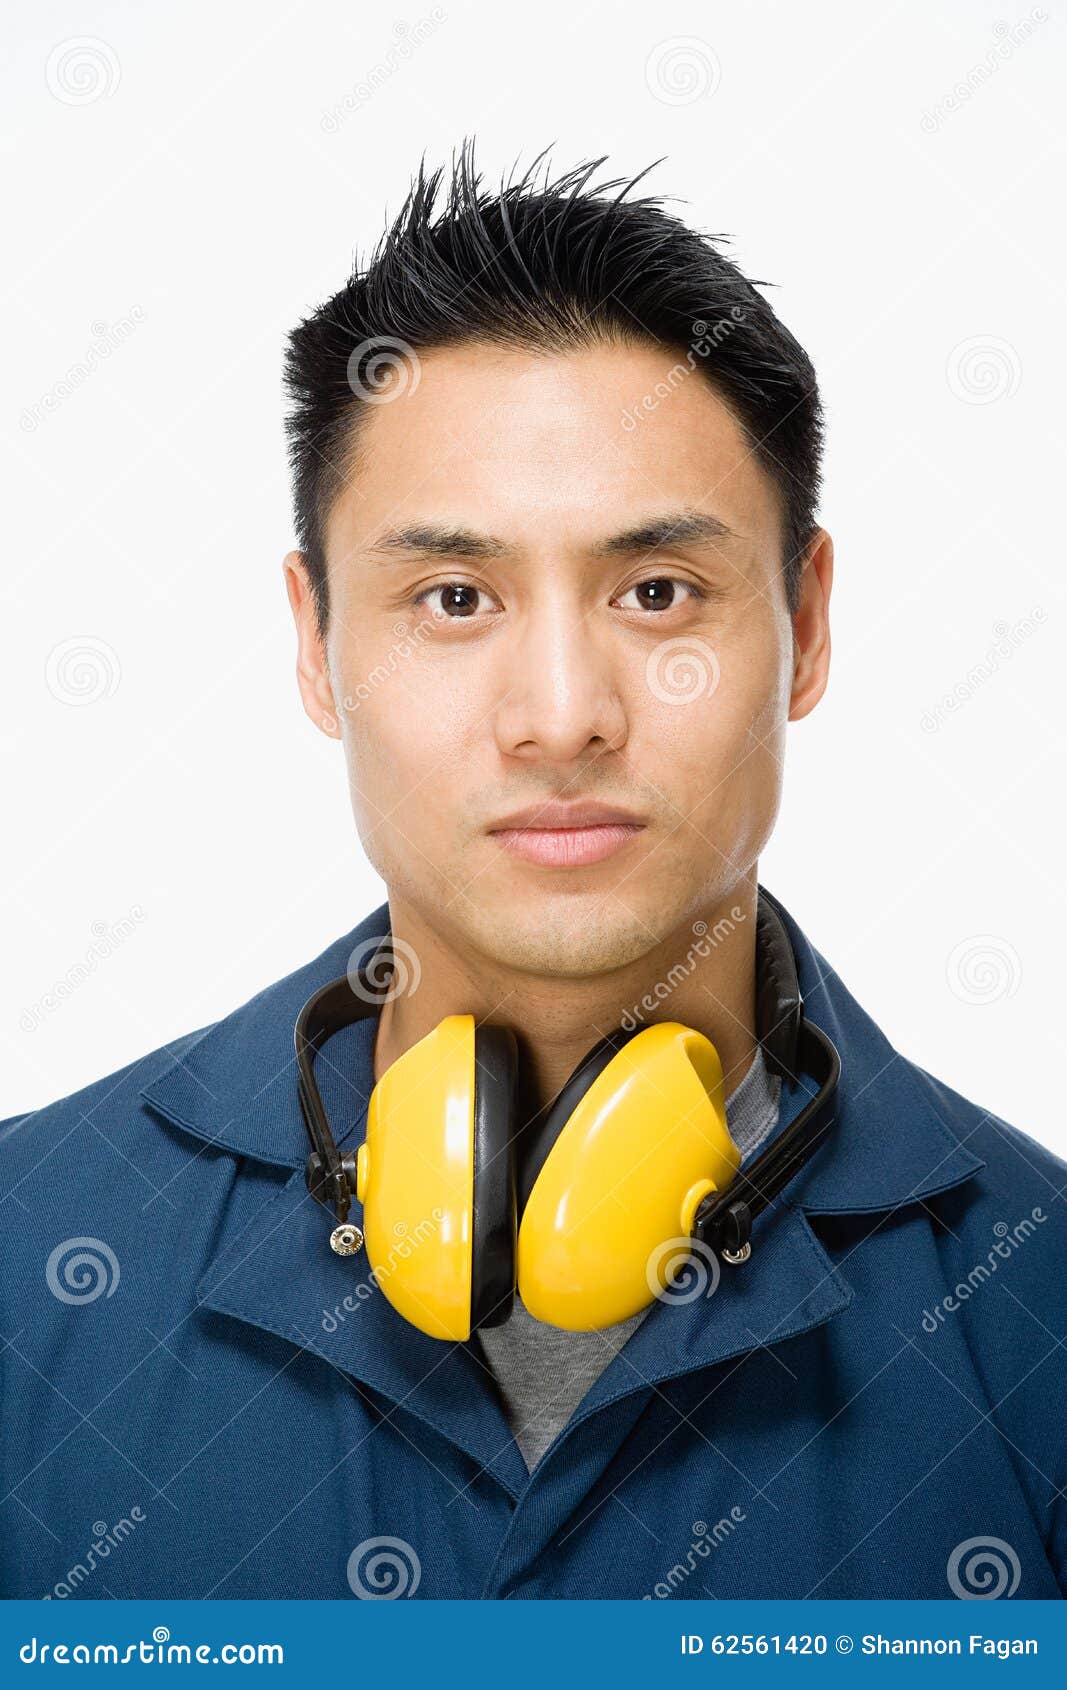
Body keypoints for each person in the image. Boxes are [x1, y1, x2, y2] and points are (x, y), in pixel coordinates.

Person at [2, 142, 1065, 1603]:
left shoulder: (1041, 1305)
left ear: (808, 624)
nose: (561, 710)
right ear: (314, 643)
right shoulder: (24, 1260)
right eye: (453, 597)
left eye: (656, 592)